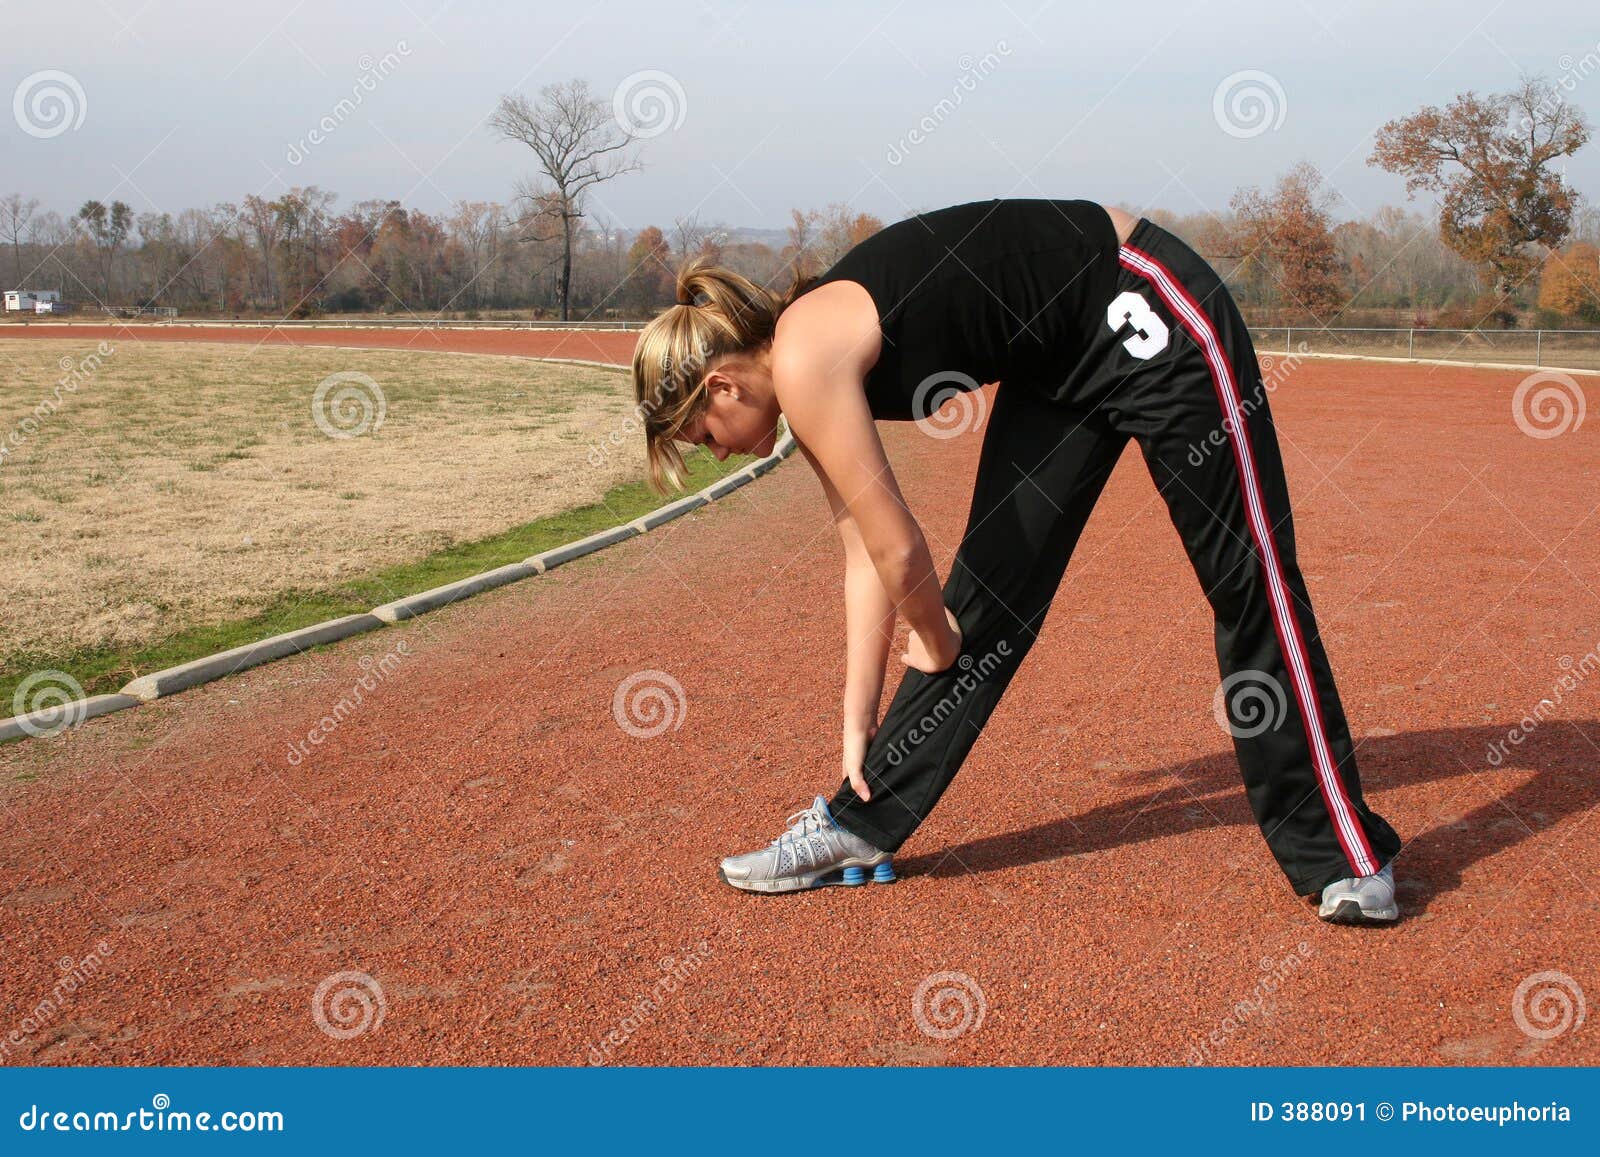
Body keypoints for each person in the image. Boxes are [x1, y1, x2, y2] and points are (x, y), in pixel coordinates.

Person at [629, 198, 1403, 924]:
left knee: (1247, 573)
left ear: (722, 384)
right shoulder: (799, 368)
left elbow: (902, 548)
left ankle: (1344, 853)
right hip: (1058, 356)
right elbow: (866, 554)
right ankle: (858, 821)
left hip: (1146, 302)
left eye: (702, 437)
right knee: (987, 595)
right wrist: (856, 713)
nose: (717, 453)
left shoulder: (803, 358)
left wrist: (931, 637)